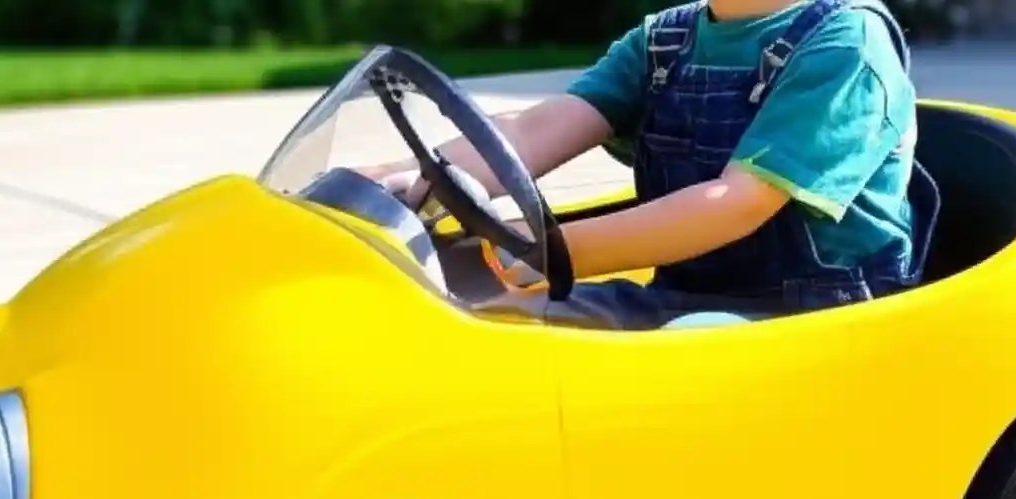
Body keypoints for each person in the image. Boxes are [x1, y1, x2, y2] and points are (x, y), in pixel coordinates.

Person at [365, 0, 940, 330]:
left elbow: (736, 204)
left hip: (814, 320)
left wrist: (539, 251)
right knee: (484, 320)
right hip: (685, 291)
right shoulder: (667, 40)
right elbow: (535, 130)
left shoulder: (845, 45)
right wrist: (409, 180)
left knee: (687, 346)